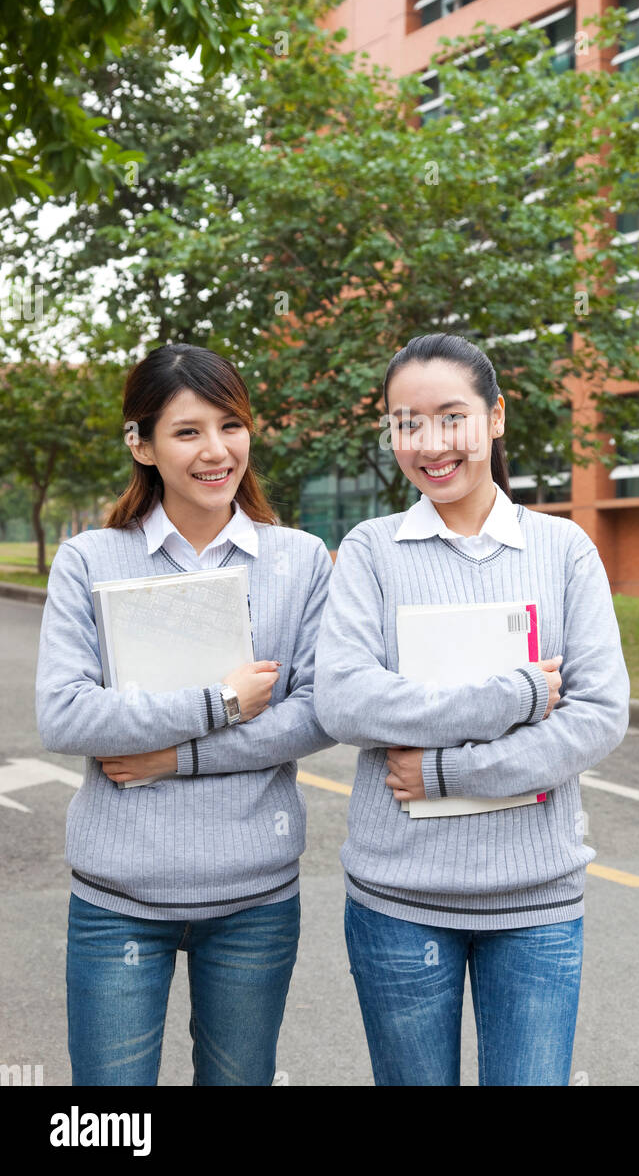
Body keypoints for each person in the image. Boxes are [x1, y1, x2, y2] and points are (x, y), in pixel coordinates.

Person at [314, 331, 630, 1086]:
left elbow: (597, 714)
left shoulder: (563, 550)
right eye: (406, 422)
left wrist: (449, 772)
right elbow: (345, 700)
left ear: (495, 418)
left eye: (451, 416)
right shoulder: (371, 550)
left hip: (537, 903)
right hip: (399, 902)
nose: (430, 443)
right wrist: (514, 695)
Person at [35, 342, 335, 1085]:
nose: (216, 450)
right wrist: (222, 702)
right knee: (114, 1116)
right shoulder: (90, 560)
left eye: (230, 426)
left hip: (255, 897)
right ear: (142, 444)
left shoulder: (299, 562)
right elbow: (67, 716)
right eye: (188, 431)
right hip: (118, 898)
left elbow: (320, 713)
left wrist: (174, 757)